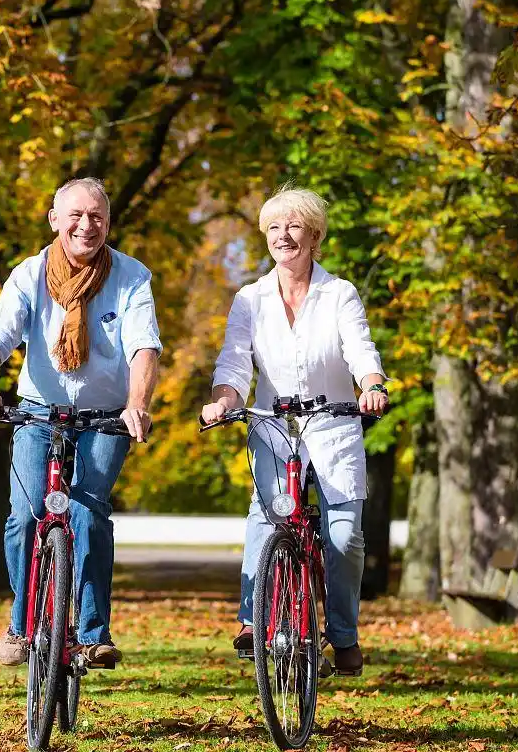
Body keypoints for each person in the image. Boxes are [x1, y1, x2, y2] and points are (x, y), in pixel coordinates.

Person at [0, 177, 161, 668]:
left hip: (104, 415)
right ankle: (21, 622)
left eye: (97, 216)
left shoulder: (132, 276)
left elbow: (143, 347)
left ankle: (95, 633)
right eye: (76, 215)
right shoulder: (30, 274)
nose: (86, 225)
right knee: (25, 515)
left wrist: (136, 403)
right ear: (55, 220)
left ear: (108, 223)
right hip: (37, 411)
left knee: (88, 510)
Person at [200, 185, 388, 677]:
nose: (284, 236)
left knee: (344, 538)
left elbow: (360, 350)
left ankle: (343, 634)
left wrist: (371, 384)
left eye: (295, 226)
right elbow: (235, 361)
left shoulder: (339, 293)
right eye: (275, 228)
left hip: (334, 425)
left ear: (314, 235)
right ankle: (251, 619)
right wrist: (223, 400)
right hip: (273, 426)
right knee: (267, 518)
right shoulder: (250, 299)